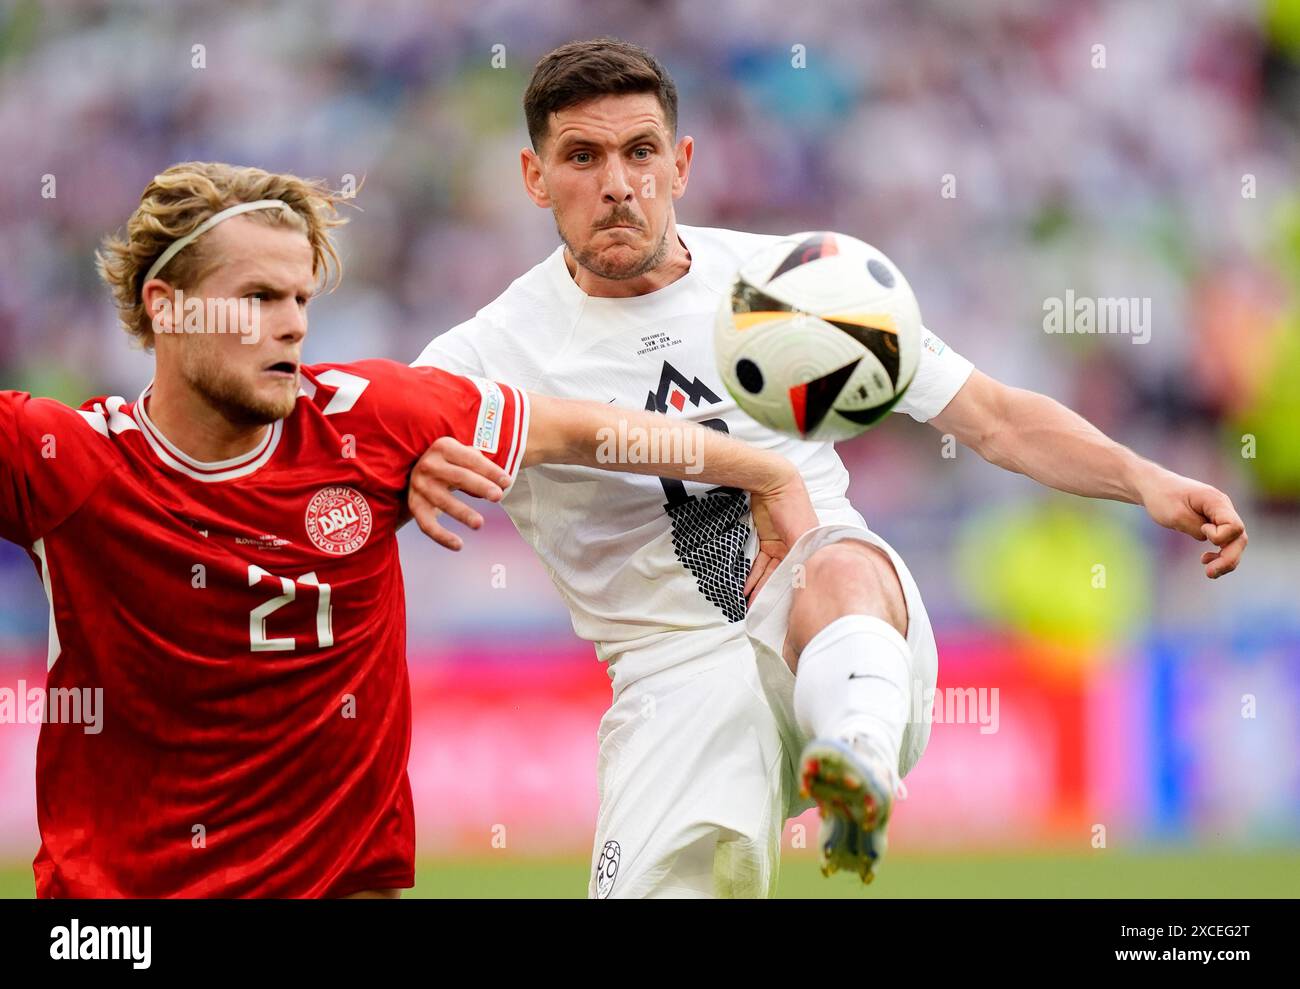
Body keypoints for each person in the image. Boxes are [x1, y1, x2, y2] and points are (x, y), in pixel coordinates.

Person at [409, 38, 1249, 898]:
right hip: (672, 677)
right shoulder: (483, 354)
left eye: (641, 151)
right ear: (534, 176)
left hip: (830, 620)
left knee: (838, 557)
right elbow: (366, 461)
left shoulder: (791, 286)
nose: (617, 184)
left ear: (684, 162)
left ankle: (857, 758)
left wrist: (1146, 478)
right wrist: (407, 471)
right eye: (582, 157)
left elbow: (992, 417)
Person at [3, 160, 816, 897]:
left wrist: (766, 470)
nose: (292, 324)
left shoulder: (373, 419)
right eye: (257, 298)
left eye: (300, 298)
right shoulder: (65, 459)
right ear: (166, 307)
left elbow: (584, 430)